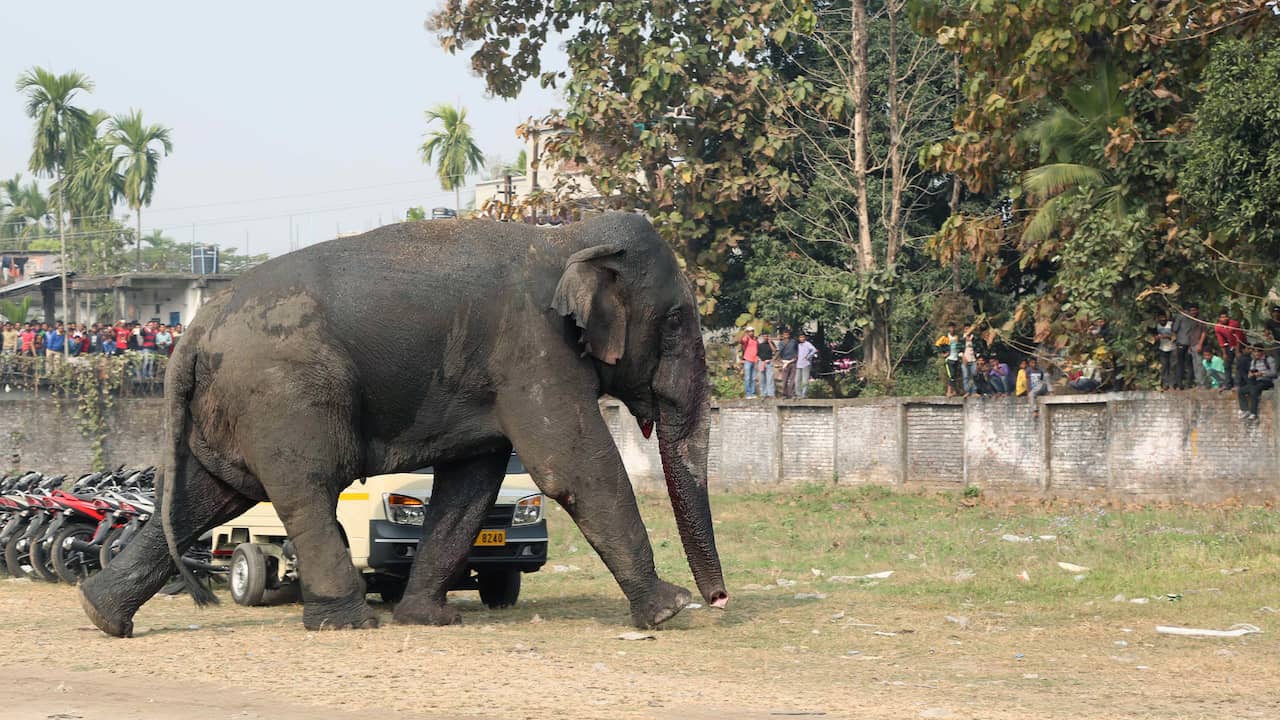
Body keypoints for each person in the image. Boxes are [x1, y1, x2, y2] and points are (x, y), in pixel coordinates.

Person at [1238, 345, 1277, 421]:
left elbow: (1274, 373)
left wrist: (1262, 374)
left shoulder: (1269, 360)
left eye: (1257, 351)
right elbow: (1252, 371)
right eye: (1254, 352)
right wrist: (1251, 374)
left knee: (1254, 390)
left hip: (1267, 381)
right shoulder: (1253, 361)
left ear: (1262, 352)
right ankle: (1245, 410)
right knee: (1242, 390)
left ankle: (1254, 413)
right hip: (1256, 381)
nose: (1255, 354)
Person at [1172, 305, 1205, 389]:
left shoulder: (1185, 317)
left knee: (1182, 364)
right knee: (1190, 364)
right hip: (1190, 344)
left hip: (1185, 343)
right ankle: (1186, 384)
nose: (1192, 312)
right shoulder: (1196, 318)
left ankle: (1182, 384)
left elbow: (1175, 329)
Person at [1213, 309, 1244, 390]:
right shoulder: (1218, 327)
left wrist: (1237, 351)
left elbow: (1239, 338)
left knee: (1239, 365)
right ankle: (1228, 384)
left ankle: (1238, 384)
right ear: (1219, 319)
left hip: (1239, 345)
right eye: (1222, 317)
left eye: (1226, 317)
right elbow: (1221, 341)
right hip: (1228, 346)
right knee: (1227, 365)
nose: (1224, 319)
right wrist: (1224, 353)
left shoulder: (1234, 324)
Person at [1153, 312, 1176, 390]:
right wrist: (1156, 338)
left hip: (1172, 348)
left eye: (1164, 320)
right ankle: (1165, 384)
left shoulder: (1171, 325)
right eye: (1161, 320)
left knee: (1172, 367)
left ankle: (1172, 384)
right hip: (1162, 348)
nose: (1162, 321)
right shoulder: (1157, 326)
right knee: (1164, 367)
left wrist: (1167, 336)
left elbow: (1175, 336)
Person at [737, 326, 759, 398]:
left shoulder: (755, 339)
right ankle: (748, 393)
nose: (751, 333)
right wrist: (744, 333)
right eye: (749, 331)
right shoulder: (746, 338)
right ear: (747, 332)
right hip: (747, 360)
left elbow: (757, 349)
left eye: (752, 331)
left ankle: (752, 393)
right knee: (747, 377)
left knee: (753, 378)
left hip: (754, 360)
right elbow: (741, 341)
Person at [777, 328, 798, 398]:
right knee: (785, 379)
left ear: (789, 335)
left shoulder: (793, 342)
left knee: (792, 379)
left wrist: (795, 358)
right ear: (783, 335)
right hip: (785, 362)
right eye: (784, 334)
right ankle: (784, 394)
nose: (786, 336)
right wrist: (782, 361)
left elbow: (797, 350)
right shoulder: (781, 343)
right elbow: (779, 353)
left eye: (787, 334)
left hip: (792, 362)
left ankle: (792, 394)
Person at [795, 332, 817, 398]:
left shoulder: (807, 344)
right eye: (800, 337)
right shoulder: (798, 345)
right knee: (797, 380)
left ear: (805, 338)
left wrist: (808, 356)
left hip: (806, 364)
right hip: (799, 364)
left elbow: (814, 350)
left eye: (803, 337)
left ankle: (804, 394)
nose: (801, 338)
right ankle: (798, 394)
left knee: (805, 380)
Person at [756, 330, 776, 398]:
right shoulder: (760, 345)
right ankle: (763, 394)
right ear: (762, 337)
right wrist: (760, 360)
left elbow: (774, 351)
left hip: (769, 362)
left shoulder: (771, 344)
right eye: (764, 336)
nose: (765, 337)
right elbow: (757, 354)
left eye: (767, 336)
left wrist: (770, 342)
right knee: (762, 379)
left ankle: (771, 394)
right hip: (761, 362)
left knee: (770, 378)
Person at [944, 324, 962, 397]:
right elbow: (939, 346)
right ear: (948, 328)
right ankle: (948, 391)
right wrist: (944, 353)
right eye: (951, 328)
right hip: (949, 359)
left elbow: (959, 346)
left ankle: (954, 391)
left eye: (953, 328)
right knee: (951, 376)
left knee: (954, 376)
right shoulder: (946, 337)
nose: (952, 329)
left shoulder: (957, 337)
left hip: (956, 358)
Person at [961, 329, 978, 397]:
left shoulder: (974, 339)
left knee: (974, 376)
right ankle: (967, 391)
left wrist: (977, 356)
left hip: (973, 360)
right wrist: (963, 357)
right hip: (965, 360)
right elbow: (959, 349)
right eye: (966, 329)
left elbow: (978, 348)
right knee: (965, 377)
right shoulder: (962, 339)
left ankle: (974, 392)